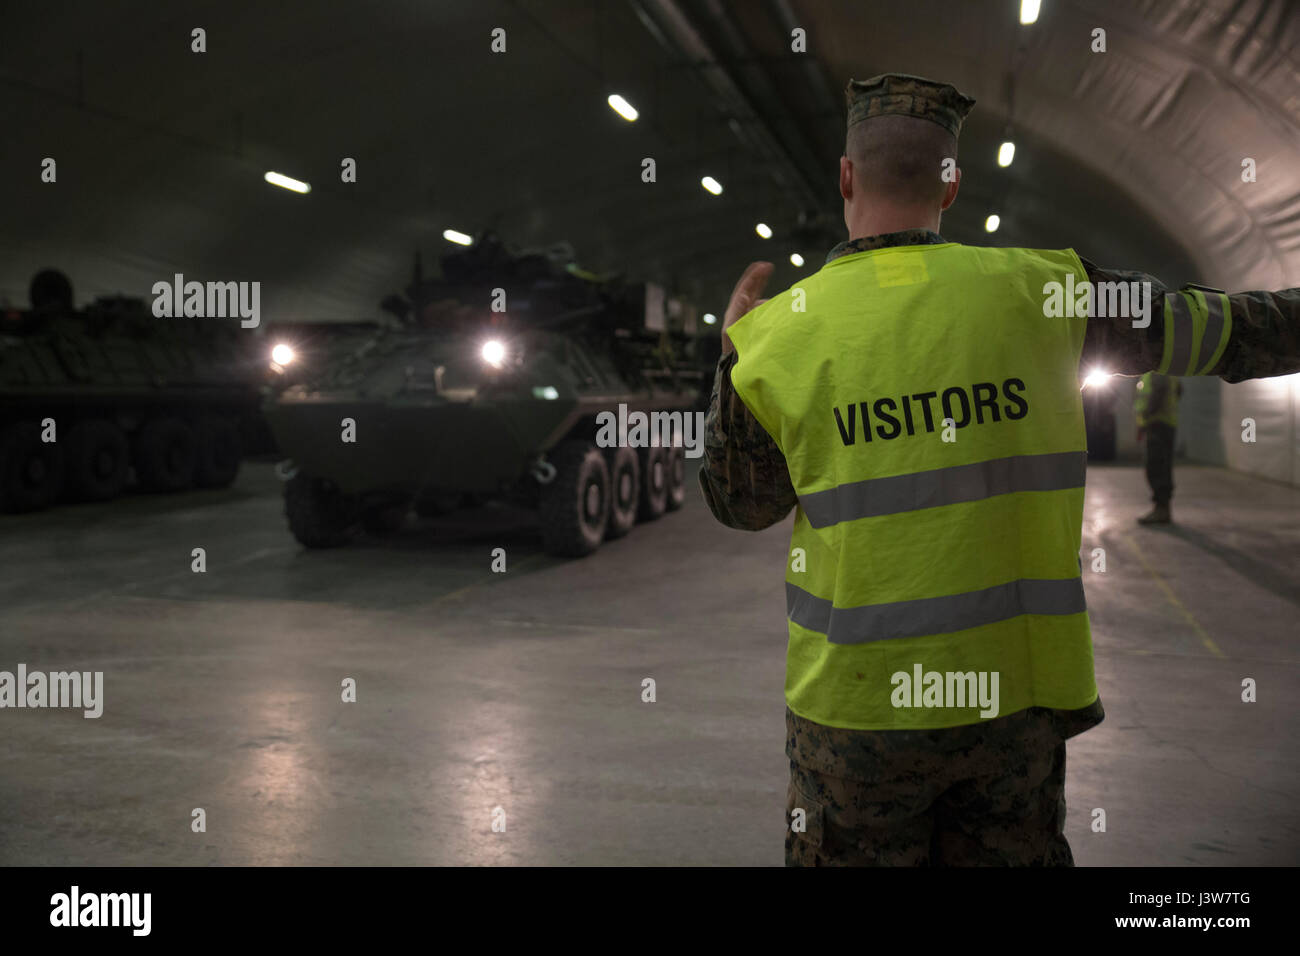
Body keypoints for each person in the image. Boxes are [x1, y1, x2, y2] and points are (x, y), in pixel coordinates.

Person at [699, 72, 1300, 866]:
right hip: (1012, 704)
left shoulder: (778, 338)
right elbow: (1227, 331)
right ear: (953, 185)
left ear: (846, 177)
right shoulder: (1047, 292)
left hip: (855, 715)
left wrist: (733, 366)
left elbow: (741, 506)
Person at [1134, 372, 1181, 524]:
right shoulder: (1169, 371)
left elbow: (1158, 392)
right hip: (1164, 423)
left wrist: (1147, 415)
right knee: (1162, 465)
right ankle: (1162, 508)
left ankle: (1161, 510)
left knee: (1156, 466)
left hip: (1157, 423)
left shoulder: (1157, 369)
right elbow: (1180, 390)